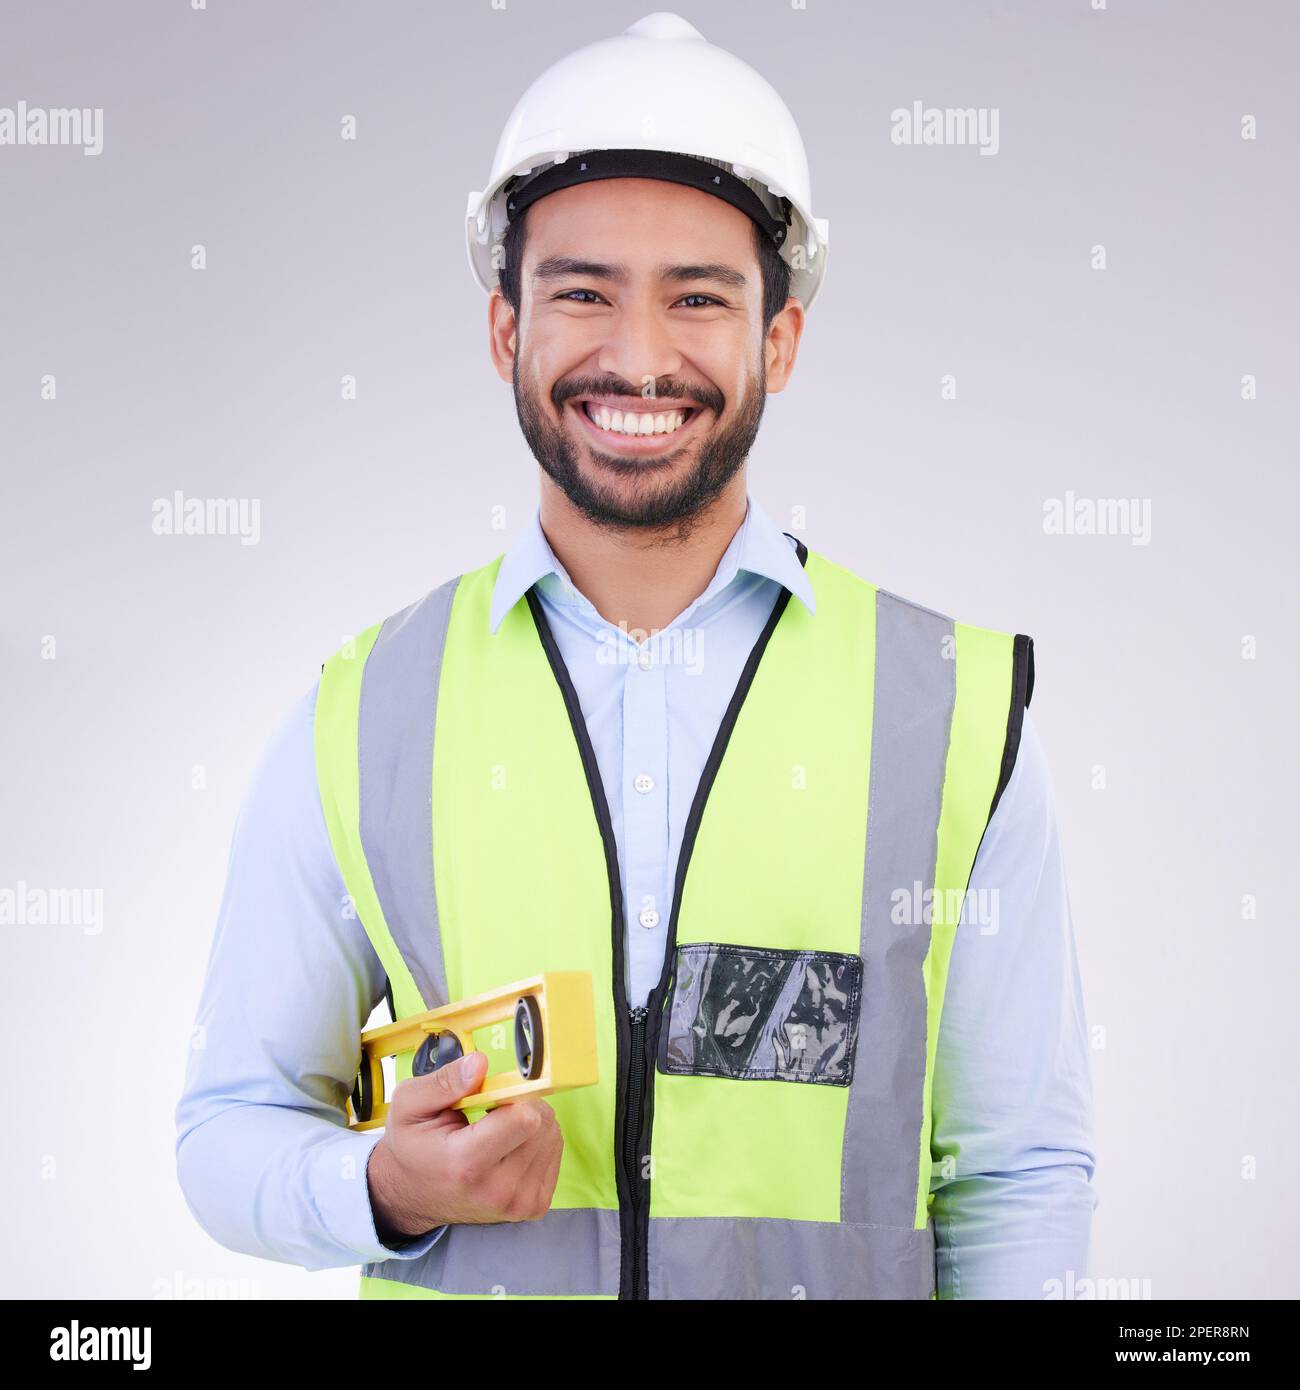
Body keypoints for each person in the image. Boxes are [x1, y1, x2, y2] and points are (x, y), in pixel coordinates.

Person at [176, 12, 1097, 1300]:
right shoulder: (365, 712)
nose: (639, 356)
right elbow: (227, 1126)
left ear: (777, 339)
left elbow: (1017, 1176)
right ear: (507, 331)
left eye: (698, 298)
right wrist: (380, 1192)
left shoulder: (953, 712)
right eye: (583, 292)